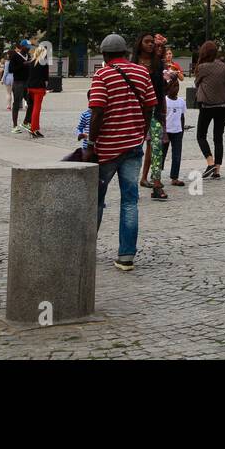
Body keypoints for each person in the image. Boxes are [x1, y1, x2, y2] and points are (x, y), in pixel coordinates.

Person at [88, 33, 157, 271]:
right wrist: (141, 131)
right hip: (133, 146)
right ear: (126, 53)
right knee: (130, 202)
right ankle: (126, 256)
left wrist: (90, 143)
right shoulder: (141, 72)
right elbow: (150, 106)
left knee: (96, 201)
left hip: (107, 148)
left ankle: (87, 249)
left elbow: (96, 111)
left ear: (105, 55)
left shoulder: (102, 74)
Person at [193, 40, 225, 179]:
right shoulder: (223, 66)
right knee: (218, 138)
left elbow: (196, 83)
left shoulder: (201, 67)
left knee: (201, 135)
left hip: (206, 106)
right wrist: (223, 88)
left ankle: (210, 162)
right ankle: (217, 170)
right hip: (222, 106)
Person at [134, 33, 168, 196]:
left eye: (152, 42)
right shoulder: (132, 62)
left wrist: (162, 110)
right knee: (134, 146)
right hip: (134, 109)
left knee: (157, 145)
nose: (150, 45)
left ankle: (156, 182)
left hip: (153, 108)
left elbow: (160, 89)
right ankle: (131, 182)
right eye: (147, 42)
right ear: (139, 44)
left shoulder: (158, 63)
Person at [163, 67, 187, 186]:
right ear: (167, 89)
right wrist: (163, 131)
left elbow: (182, 117)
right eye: (173, 86)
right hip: (166, 131)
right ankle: (156, 174)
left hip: (177, 131)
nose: (176, 89)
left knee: (177, 156)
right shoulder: (165, 101)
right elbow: (162, 118)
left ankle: (174, 177)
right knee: (161, 154)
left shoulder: (181, 101)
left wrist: (182, 130)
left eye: (177, 86)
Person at [22, 43, 50, 138]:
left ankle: (35, 128)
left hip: (30, 87)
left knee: (33, 107)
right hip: (39, 88)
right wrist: (45, 88)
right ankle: (34, 129)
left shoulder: (31, 62)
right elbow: (46, 78)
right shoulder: (44, 63)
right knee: (36, 109)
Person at [8, 39, 31, 132]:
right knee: (17, 103)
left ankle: (25, 122)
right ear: (22, 47)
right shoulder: (15, 56)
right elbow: (10, 69)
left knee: (30, 103)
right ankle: (14, 126)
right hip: (18, 82)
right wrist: (23, 64)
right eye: (27, 48)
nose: (28, 49)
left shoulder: (28, 56)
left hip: (27, 82)